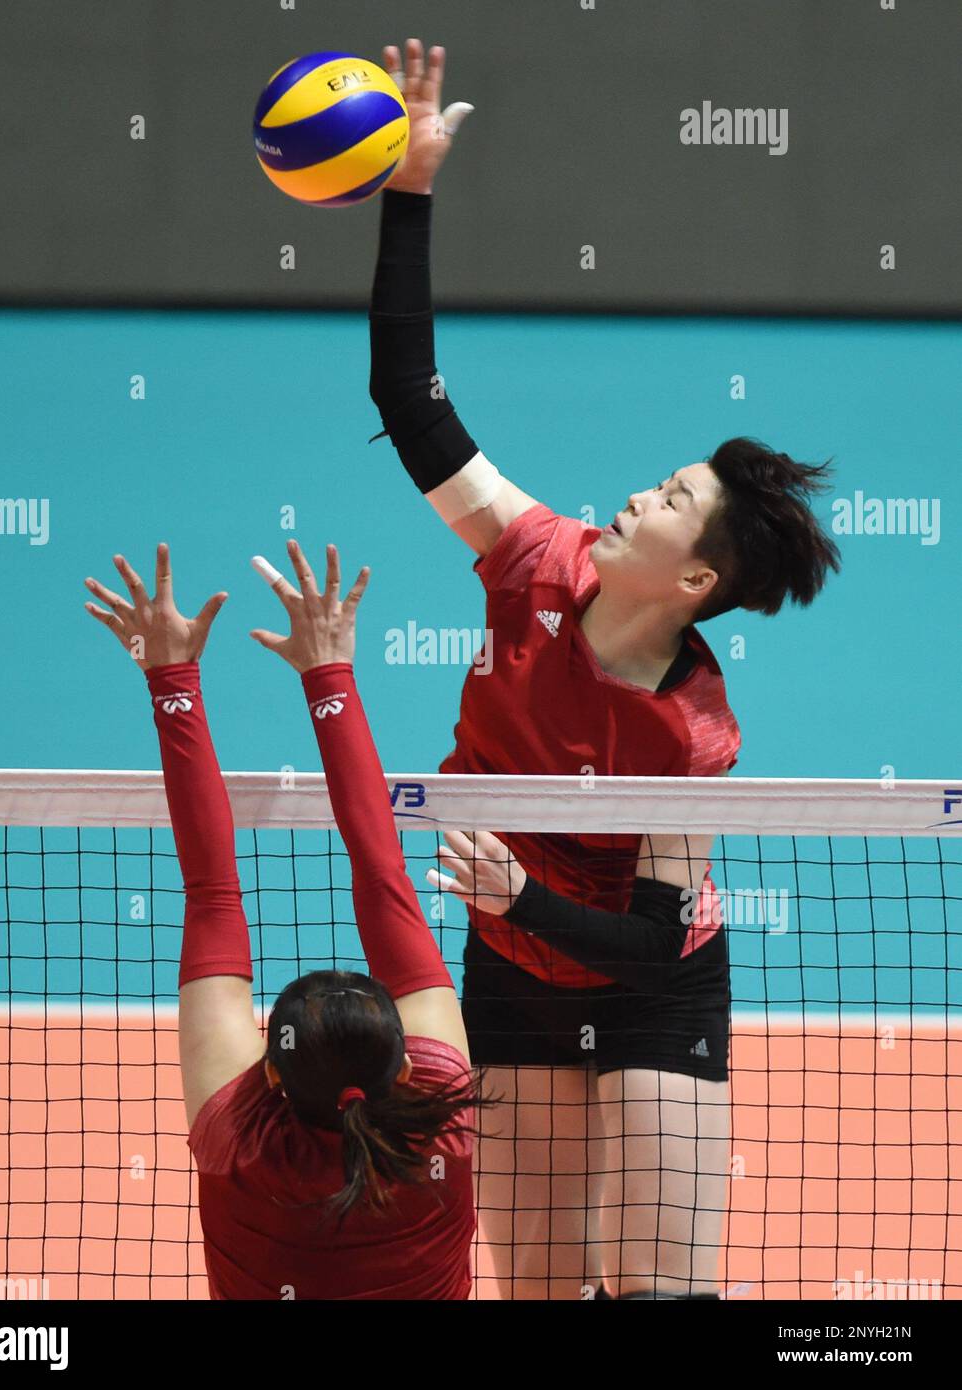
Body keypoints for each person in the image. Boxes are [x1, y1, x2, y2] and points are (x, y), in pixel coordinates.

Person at [367, 38, 841, 1300]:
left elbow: (646, 944)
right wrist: (409, 188)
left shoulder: (689, 740)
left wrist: (520, 893)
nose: (638, 493)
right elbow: (412, 405)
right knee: (535, 1286)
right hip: (511, 974)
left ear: (695, 581)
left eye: (672, 497)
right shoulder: (532, 558)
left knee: (661, 1292)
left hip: (648, 988)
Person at [84, 538, 489, 1300]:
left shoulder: (242, 1145)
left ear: (269, 1071)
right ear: (404, 1067)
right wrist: (325, 676)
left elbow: (216, 894)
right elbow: (378, 876)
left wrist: (175, 680)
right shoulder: (442, 1133)